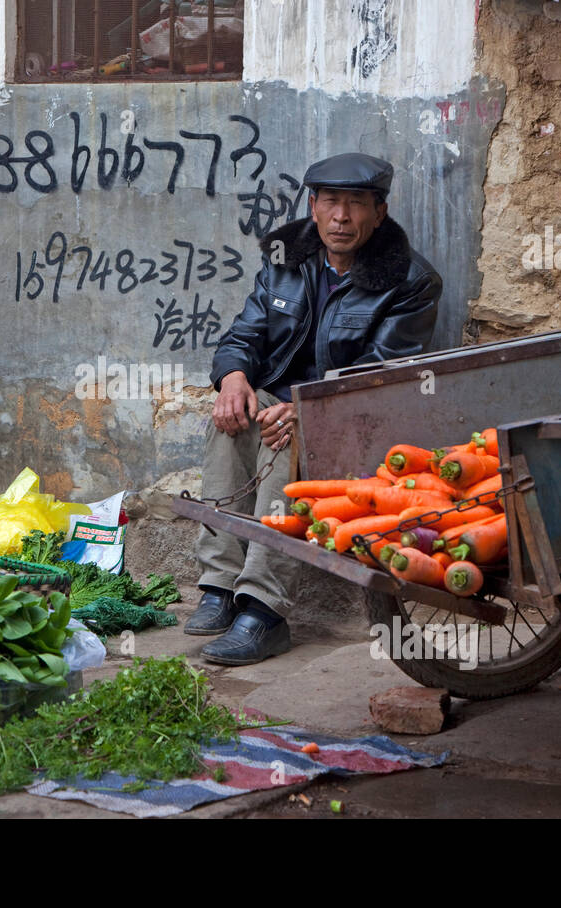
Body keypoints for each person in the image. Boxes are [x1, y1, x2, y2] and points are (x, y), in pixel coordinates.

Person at [189, 152, 443, 665]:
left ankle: (262, 609)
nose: (341, 218)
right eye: (330, 202)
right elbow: (244, 335)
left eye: (356, 205)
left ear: (380, 212)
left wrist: (307, 410)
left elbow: (381, 374)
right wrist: (233, 377)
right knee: (231, 418)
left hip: (354, 420)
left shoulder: (411, 281)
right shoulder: (286, 260)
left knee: (287, 438)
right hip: (283, 406)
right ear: (313, 204)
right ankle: (218, 585)